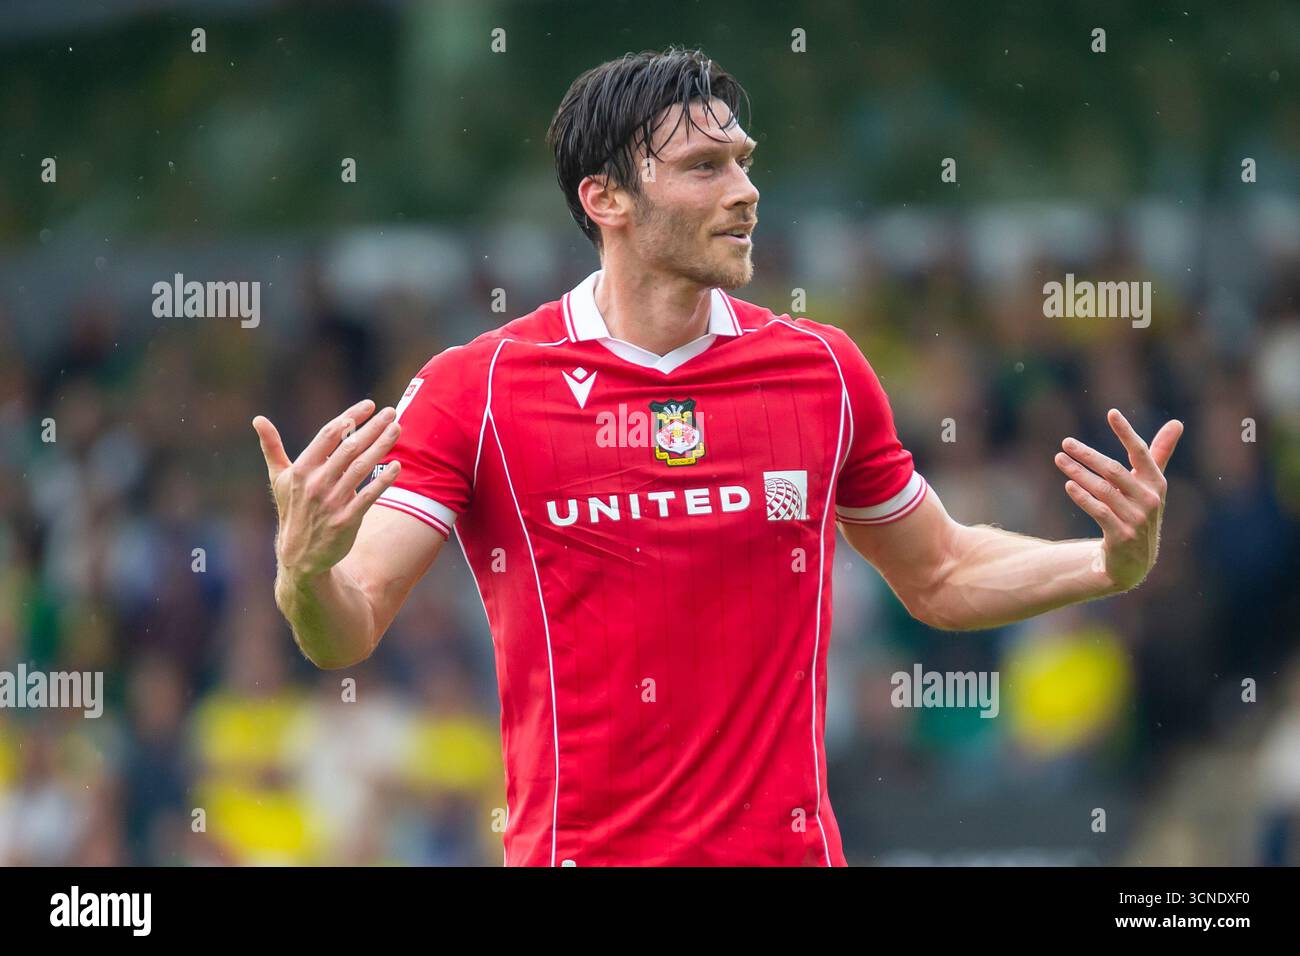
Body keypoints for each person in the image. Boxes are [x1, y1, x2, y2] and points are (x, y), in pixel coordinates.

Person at [252, 47, 1183, 866]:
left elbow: (940, 572)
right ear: (604, 198)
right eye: (704, 167)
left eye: (743, 162)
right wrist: (304, 571)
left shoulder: (822, 371)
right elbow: (351, 624)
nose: (745, 190)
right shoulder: (481, 388)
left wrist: (1106, 562)